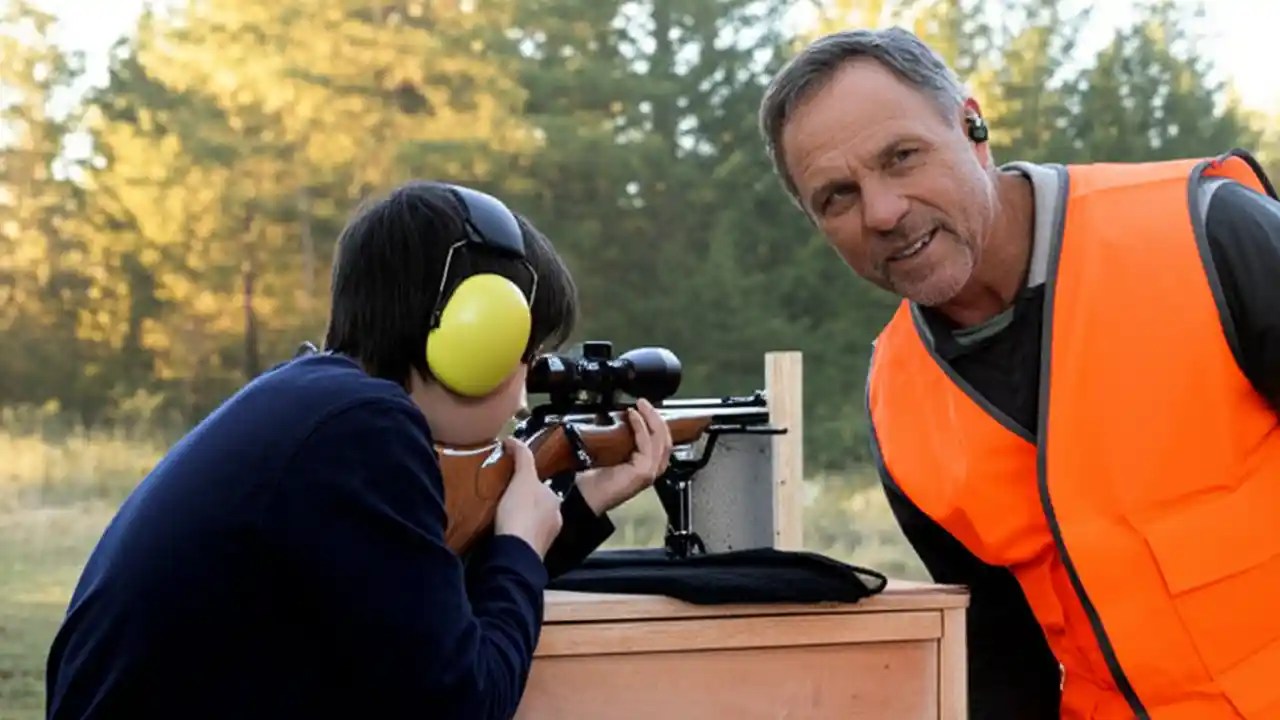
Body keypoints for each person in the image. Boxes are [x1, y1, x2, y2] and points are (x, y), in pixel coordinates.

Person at [758, 26, 1280, 720]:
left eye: (903, 156)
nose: (882, 212)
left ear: (973, 127)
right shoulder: (898, 400)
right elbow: (1003, 664)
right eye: (837, 197)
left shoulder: (1204, 232)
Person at [44, 181, 673, 719]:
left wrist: (581, 503)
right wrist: (516, 547)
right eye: (525, 353)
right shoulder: (368, 429)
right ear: (474, 336)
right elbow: (463, 701)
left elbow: (417, 609)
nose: (523, 384)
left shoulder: (312, 401)